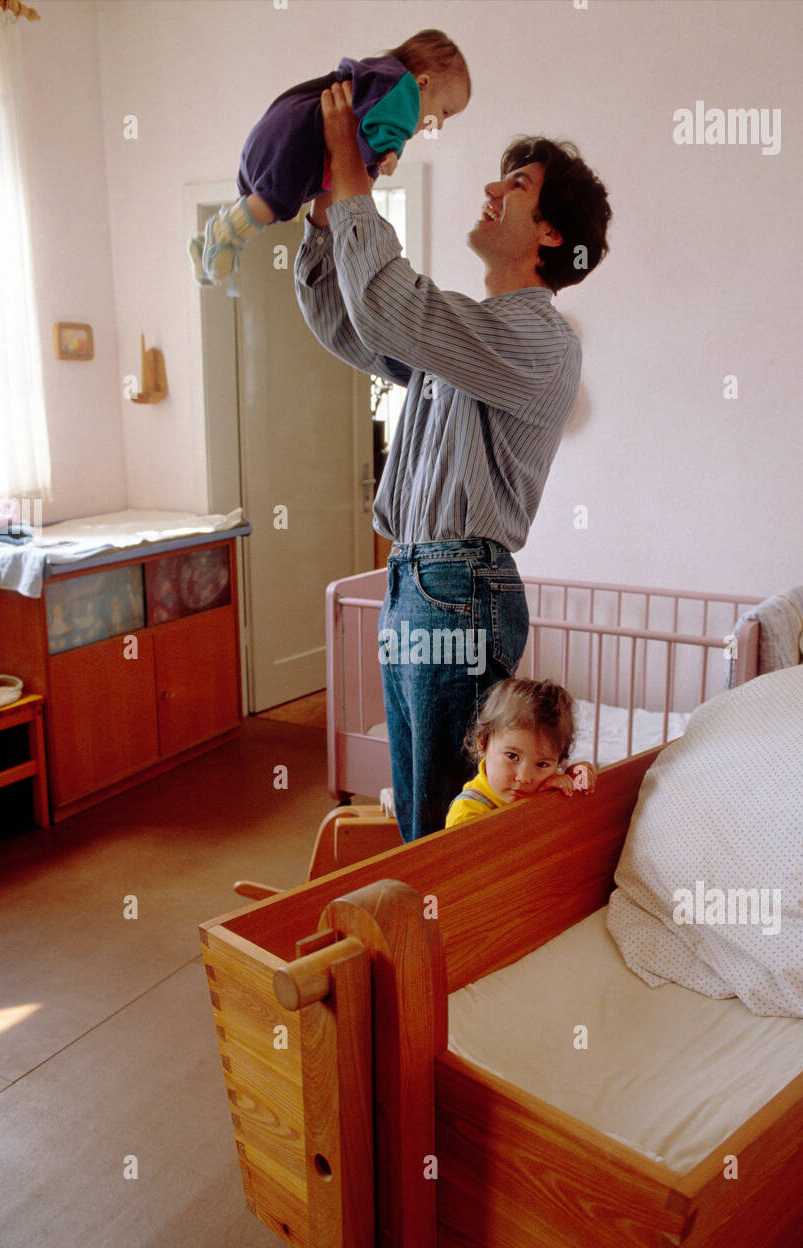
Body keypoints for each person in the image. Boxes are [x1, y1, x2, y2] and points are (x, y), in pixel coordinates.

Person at [295, 73, 612, 842]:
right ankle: (423, 944)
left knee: (445, 826)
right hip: (419, 580)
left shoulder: (537, 339)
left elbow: (387, 304)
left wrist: (350, 170)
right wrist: (326, 218)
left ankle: (443, 953)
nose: (491, 189)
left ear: (548, 233)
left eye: (518, 183)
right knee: (421, 809)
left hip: (456, 586)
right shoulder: (467, 340)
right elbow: (353, 325)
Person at [188, 29, 470, 295]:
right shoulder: (401, 90)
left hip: (280, 132)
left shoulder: (379, 80)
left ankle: (207, 245)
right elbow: (384, 128)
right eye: (444, 111)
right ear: (422, 84)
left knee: (266, 198)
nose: (440, 125)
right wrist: (389, 152)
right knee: (276, 200)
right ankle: (223, 234)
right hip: (300, 133)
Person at [445, 678, 597, 828]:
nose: (524, 778)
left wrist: (574, 778)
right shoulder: (465, 816)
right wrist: (536, 806)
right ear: (483, 743)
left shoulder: (548, 783)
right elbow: (511, 848)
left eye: (542, 764)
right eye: (512, 756)